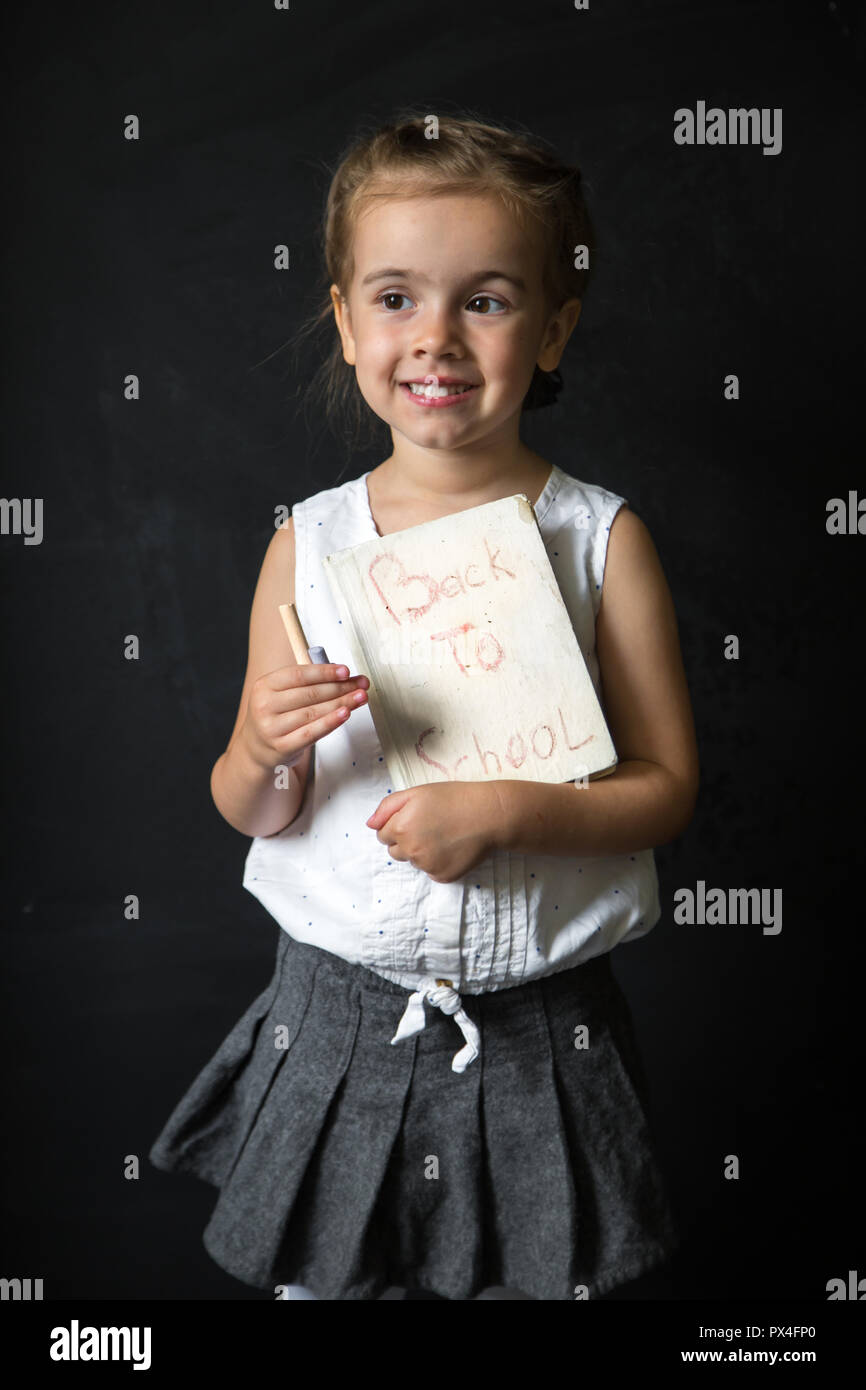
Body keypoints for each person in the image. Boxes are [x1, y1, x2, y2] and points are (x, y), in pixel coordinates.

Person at [149, 109, 700, 1302]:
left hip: (541, 1030)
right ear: (344, 319)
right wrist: (259, 747)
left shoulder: (603, 541)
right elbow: (255, 805)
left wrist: (505, 810)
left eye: (486, 300)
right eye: (394, 297)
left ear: (552, 326)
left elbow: (664, 790)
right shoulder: (307, 542)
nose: (435, 337)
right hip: (338, 1021)